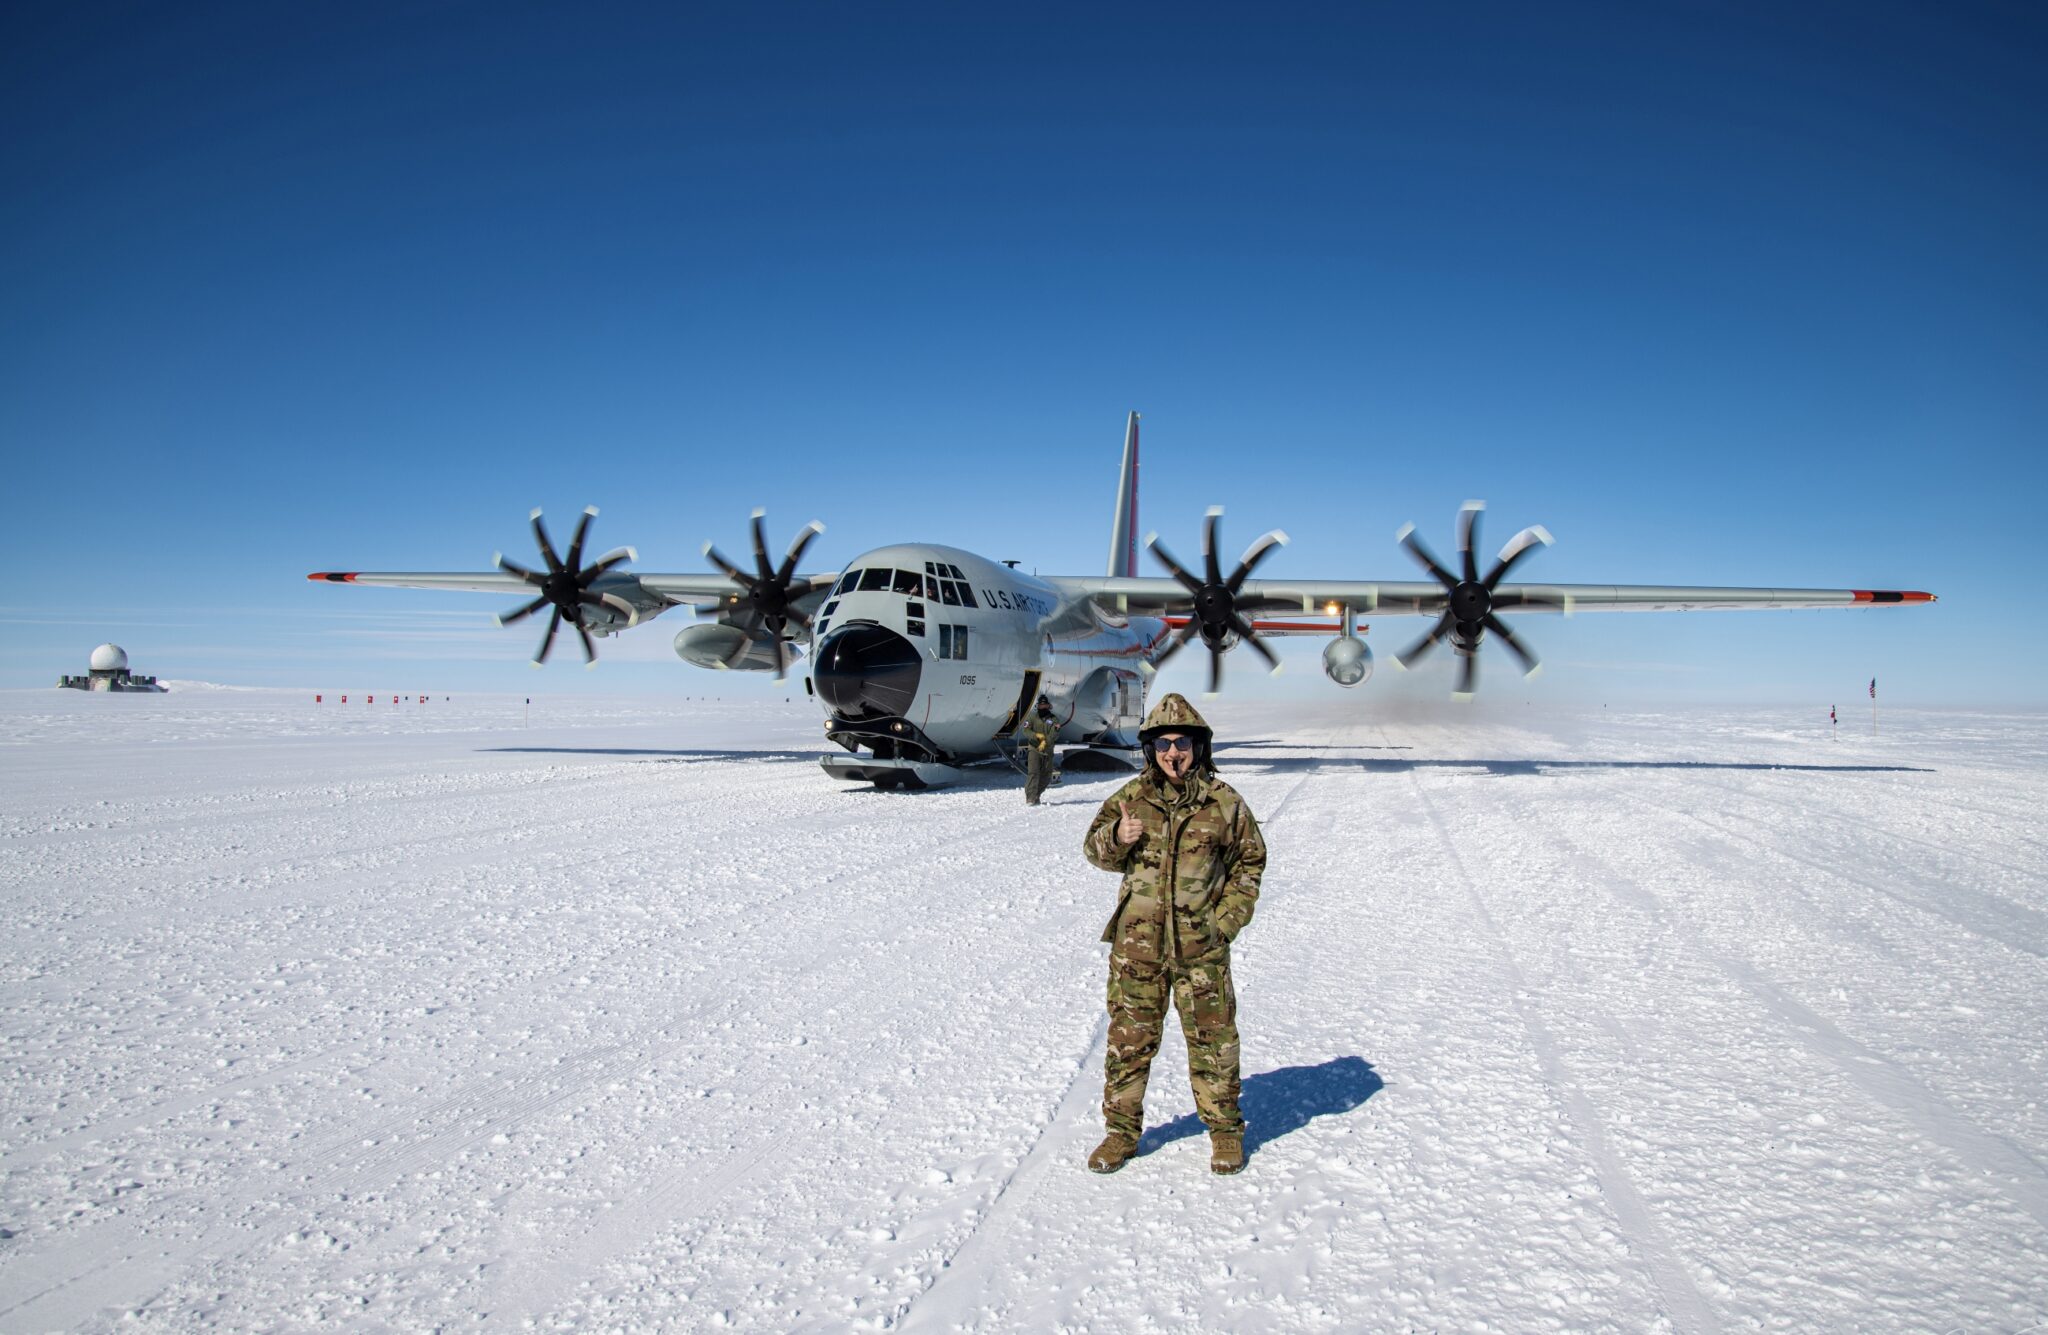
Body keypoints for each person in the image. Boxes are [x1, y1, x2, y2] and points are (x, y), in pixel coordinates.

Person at [1081, 692, 1266, 1175]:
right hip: (1136, 950)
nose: (1172, 753)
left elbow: (1250, 862)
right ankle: (1120, 1134)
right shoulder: (1129, 799)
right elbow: (1094, 850)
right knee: (1128, 1043)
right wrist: (1114, 840)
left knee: (1214, 1043)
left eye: (1182, 742)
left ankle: (1225, 1131)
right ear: (1150, 750)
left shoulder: (1223, 803)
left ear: (1198, 746)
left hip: (1201, 951)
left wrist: (1224, 922)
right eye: (1162, 744)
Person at [1020, 693, 1058, 805]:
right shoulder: (1032, 717)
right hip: (1034, 749)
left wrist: (1045, 742)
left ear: (1048, 706)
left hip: (1047, 750)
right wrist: (1035, 736)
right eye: (1041, 706)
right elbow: (1026, 730)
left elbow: (1054, 734)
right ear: (1038, 706)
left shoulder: (1053, 719)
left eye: (1045, 706)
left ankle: (1037, 794)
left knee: (1047, 775)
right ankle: (1030, 798)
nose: (1043, 708)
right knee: (1033, 773)